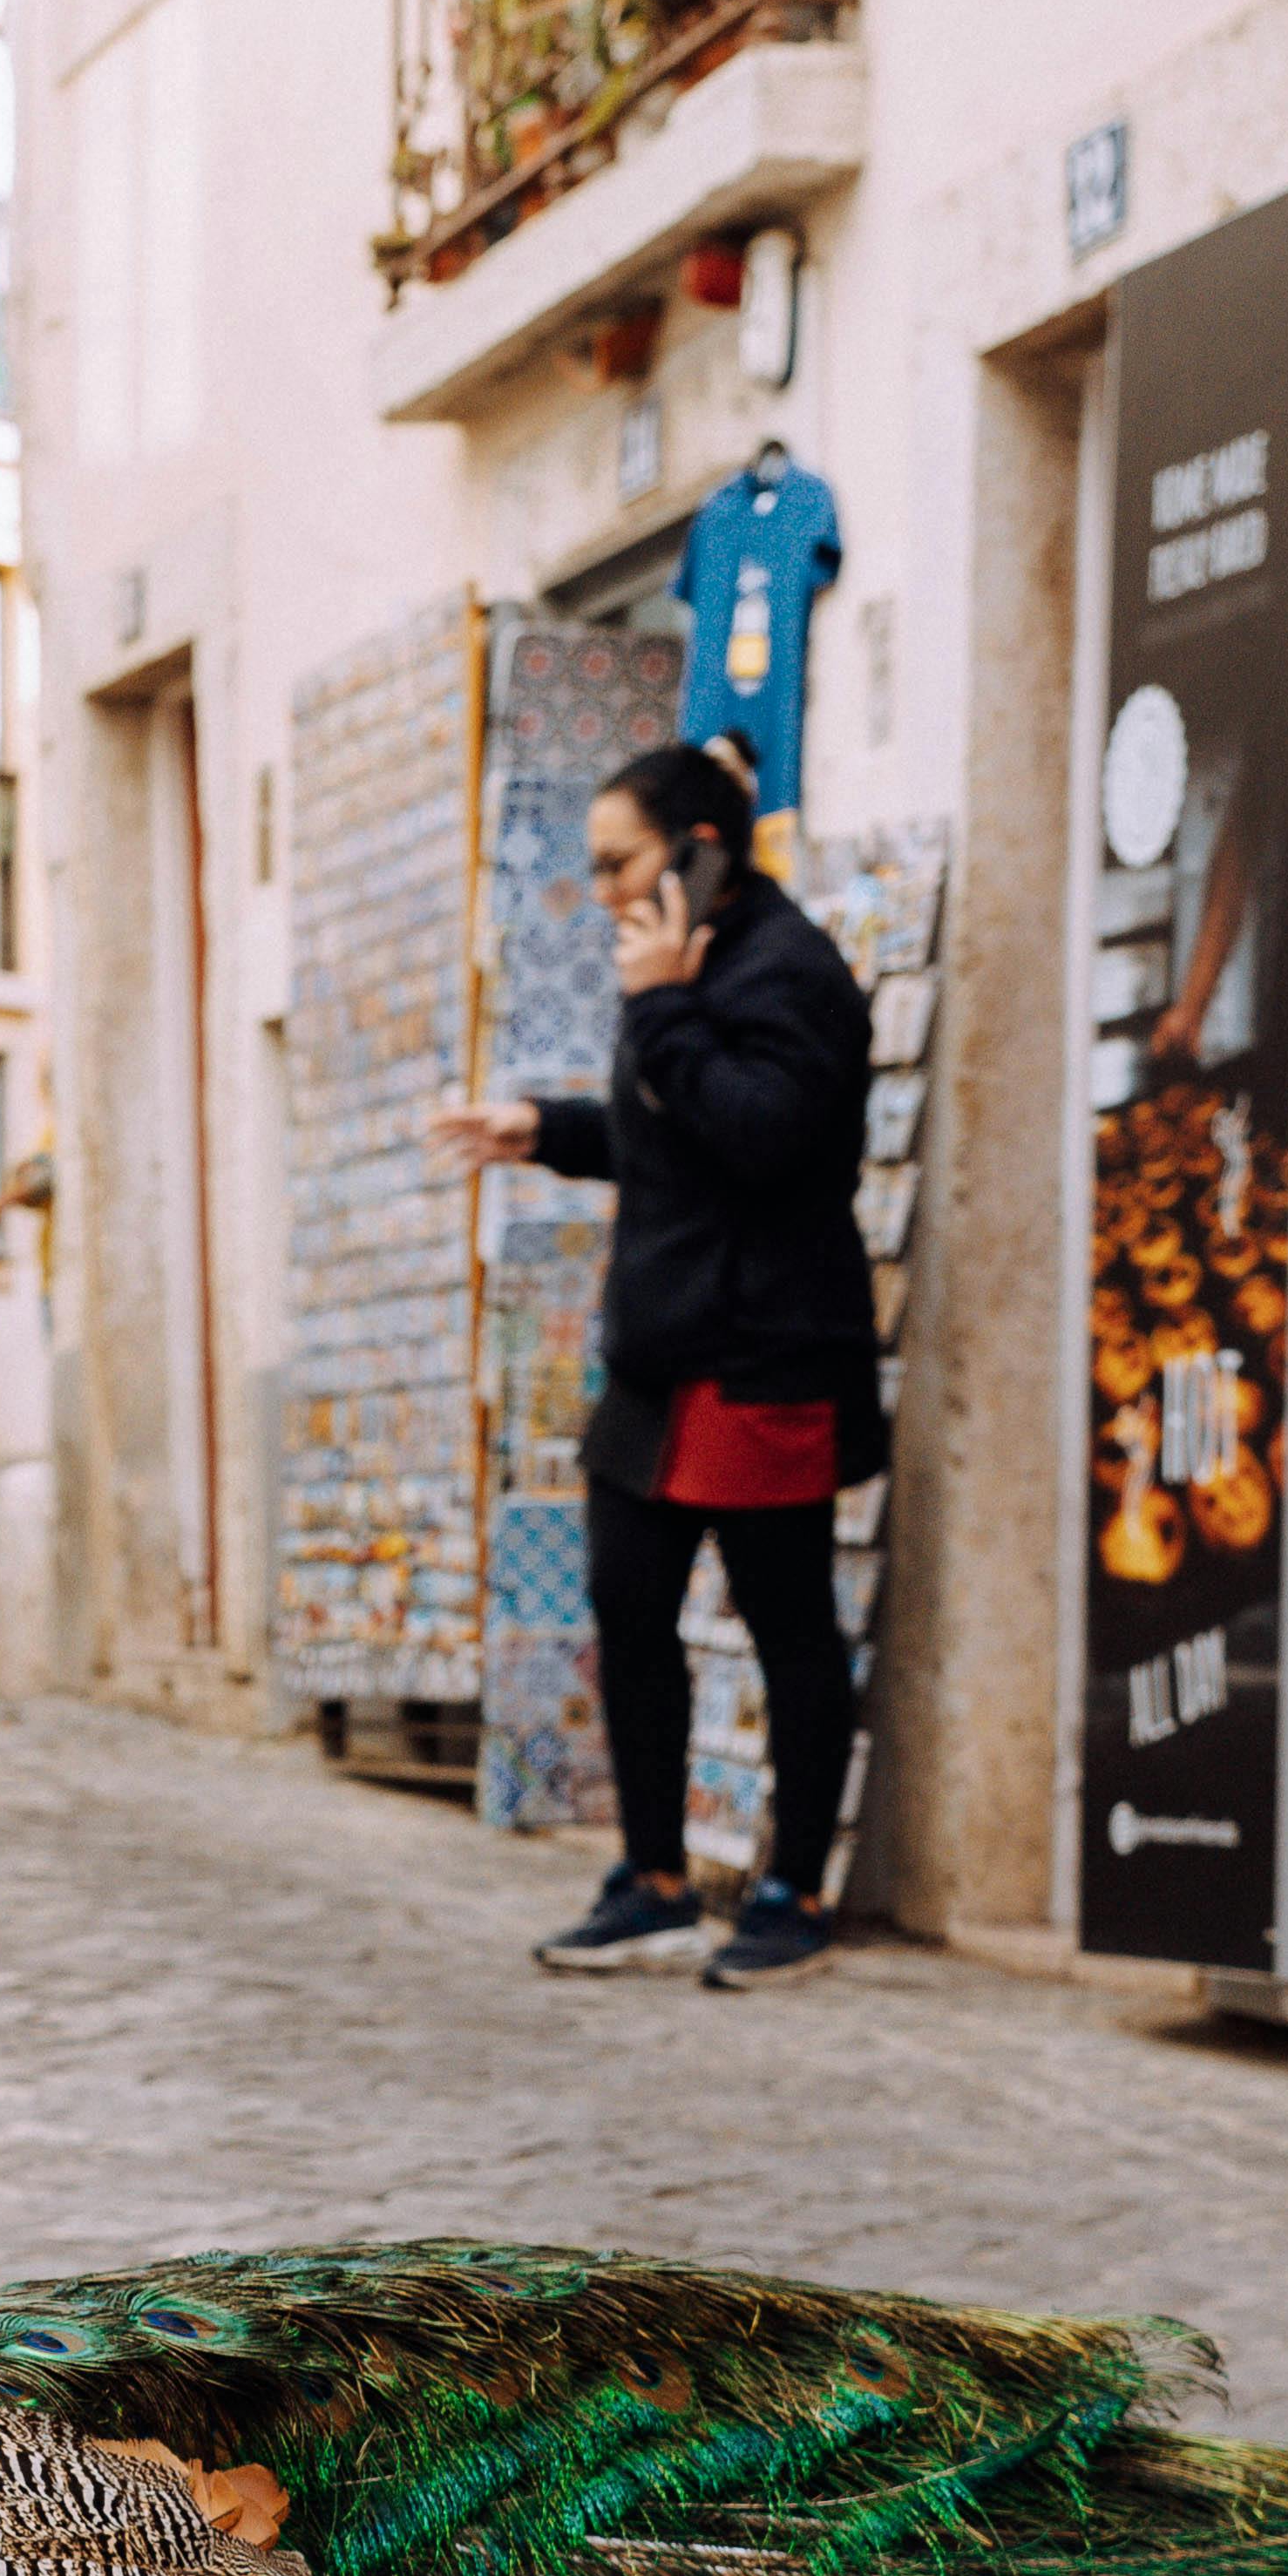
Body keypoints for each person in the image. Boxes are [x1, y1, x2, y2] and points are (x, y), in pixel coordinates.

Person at [434, 739, 877, 1992]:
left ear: (697, 848)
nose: (608, 891)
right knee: (629, 1614)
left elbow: (763, 1138)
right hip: (658, 1358)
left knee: (789, 1626)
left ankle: (792, 1892)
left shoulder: (791, 971)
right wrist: (545, 1129)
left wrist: (662, 1005)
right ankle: (656, 1880)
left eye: (621, 863)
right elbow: (665, 1137)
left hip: (762, 1355)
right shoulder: (678, 972)